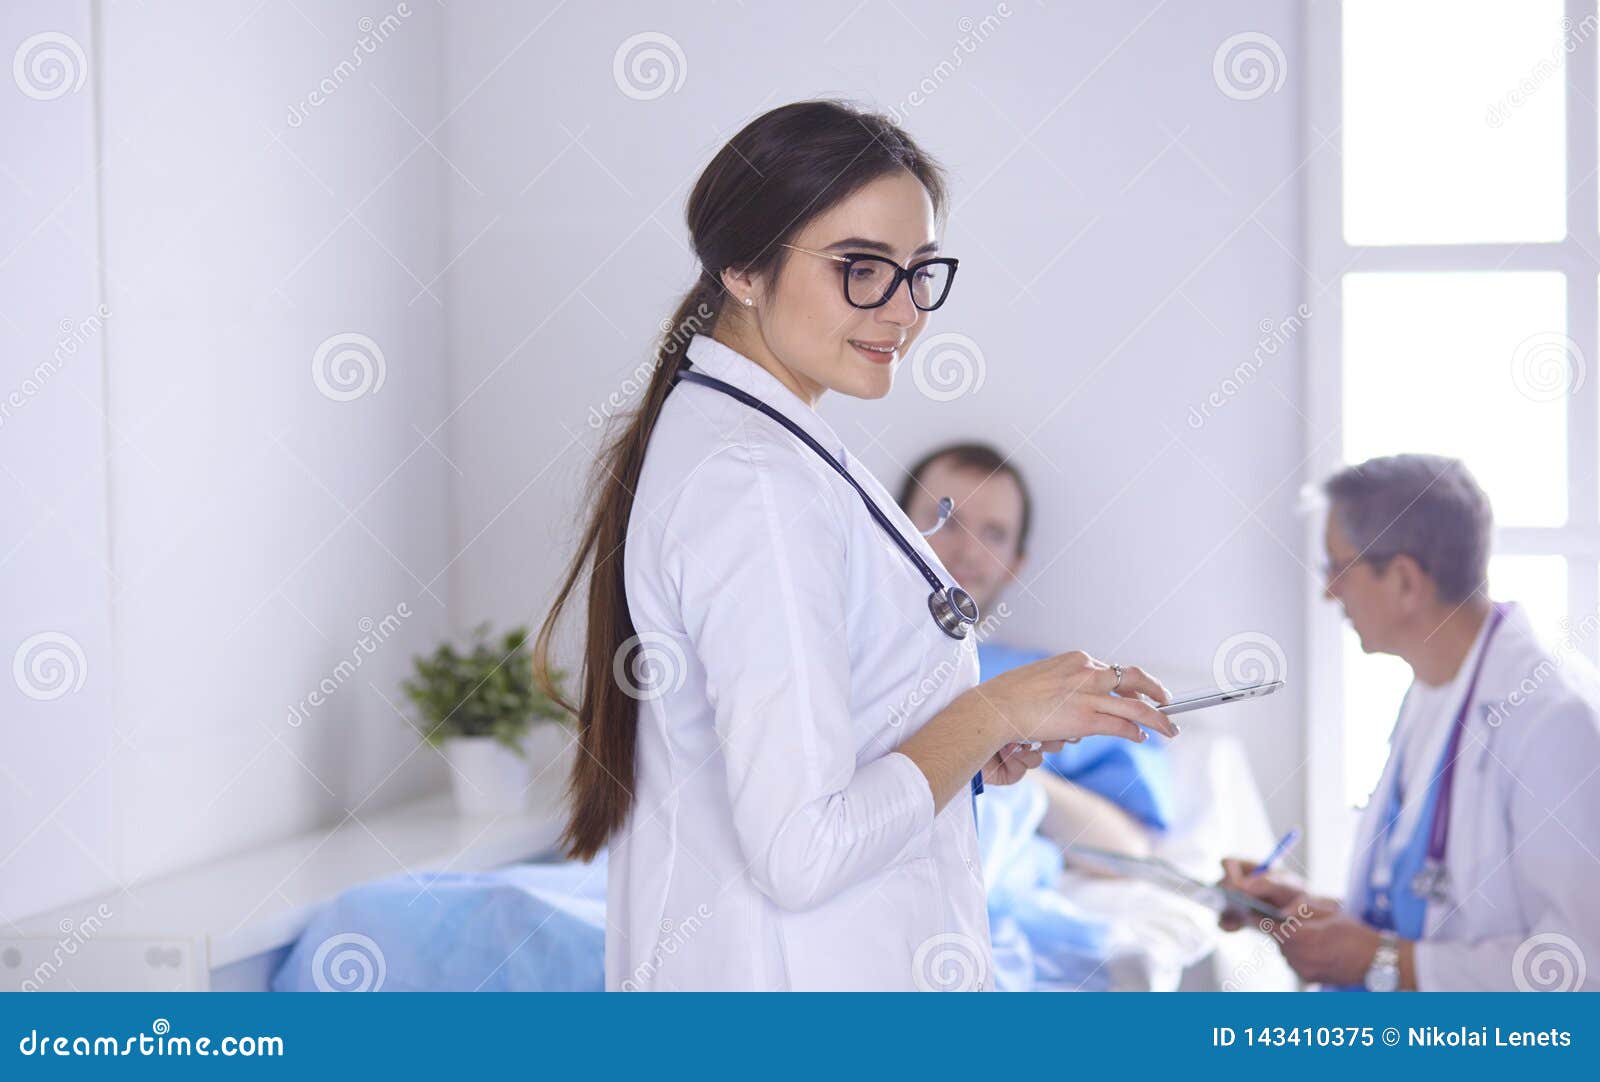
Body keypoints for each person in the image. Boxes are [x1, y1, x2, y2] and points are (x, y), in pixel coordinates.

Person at [531, 100, 1177, 992]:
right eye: (861, 269)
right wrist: (989, 711)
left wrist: (962, 753)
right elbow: (803, 849)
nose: (903, 312)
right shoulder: (753, 482)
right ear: (743, 269)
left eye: (920, 272)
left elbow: (811, 746)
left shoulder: (761, 444)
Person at [1221, 453, 1600, 991]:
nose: (1329, 592)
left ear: (1403, 580)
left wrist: (1383, 961)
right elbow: (1427, 905)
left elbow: (1582, 965)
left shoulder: (1556, 722)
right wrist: (1308, 913)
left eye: (1337, 568)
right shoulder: (1434, 685)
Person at [899, 442, 1172, 855]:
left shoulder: (1055, 682)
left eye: (994, 534)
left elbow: (1130, 851)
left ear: (1015, 564)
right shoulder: (831, 652)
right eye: (947, 521)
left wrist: (980, 753)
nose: (968, 551)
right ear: (894, 527)